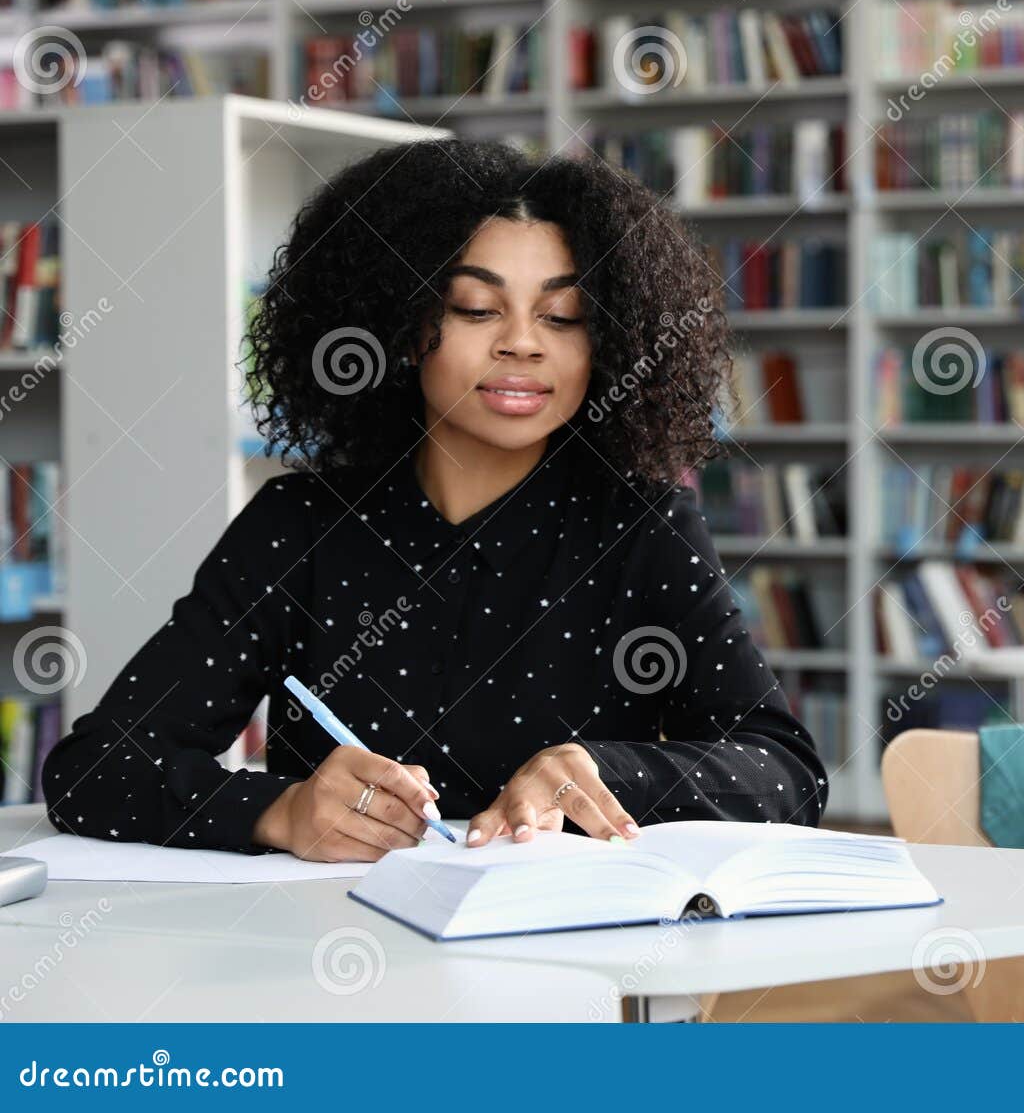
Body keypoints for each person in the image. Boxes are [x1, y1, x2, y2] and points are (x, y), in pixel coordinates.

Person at [42, 140, 828, 861]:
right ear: (403, 324)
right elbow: (93, 769)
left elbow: (785, 770)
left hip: (556, 975)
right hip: (325, 972)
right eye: (477, 309)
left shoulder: (641, 526)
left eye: (564, 315)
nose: (523, 342)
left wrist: (608, 770)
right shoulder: (298, 528)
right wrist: (280, 809)